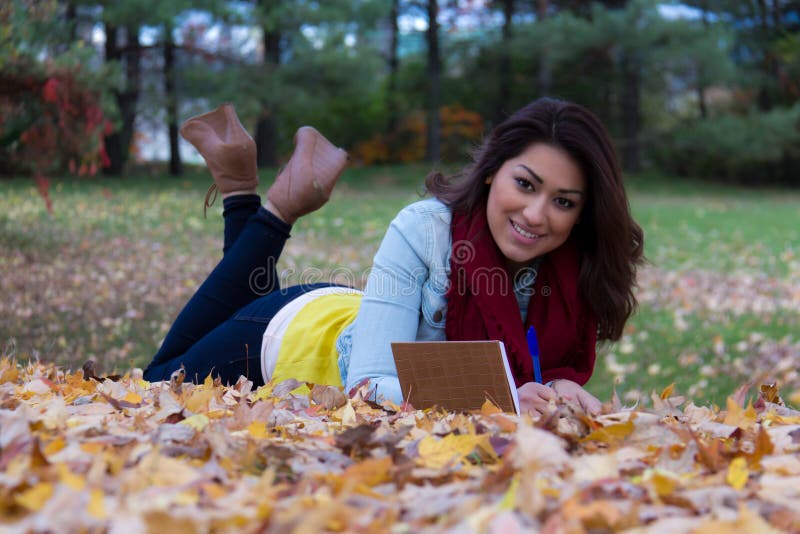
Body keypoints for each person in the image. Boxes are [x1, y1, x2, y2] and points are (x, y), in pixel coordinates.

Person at [143, 98, 643, 416]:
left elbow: (536, 370)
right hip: (287, 336)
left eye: (563, 201)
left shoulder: (576, 267)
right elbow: (367, 382)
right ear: (492, 170)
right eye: (525, 184)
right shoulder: (425, 228)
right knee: (157, 380)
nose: (537, 215)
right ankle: (273, 208)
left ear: (583, 212)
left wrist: (557, 387)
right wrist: (504, 396)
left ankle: (238, 185)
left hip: (352, 311)